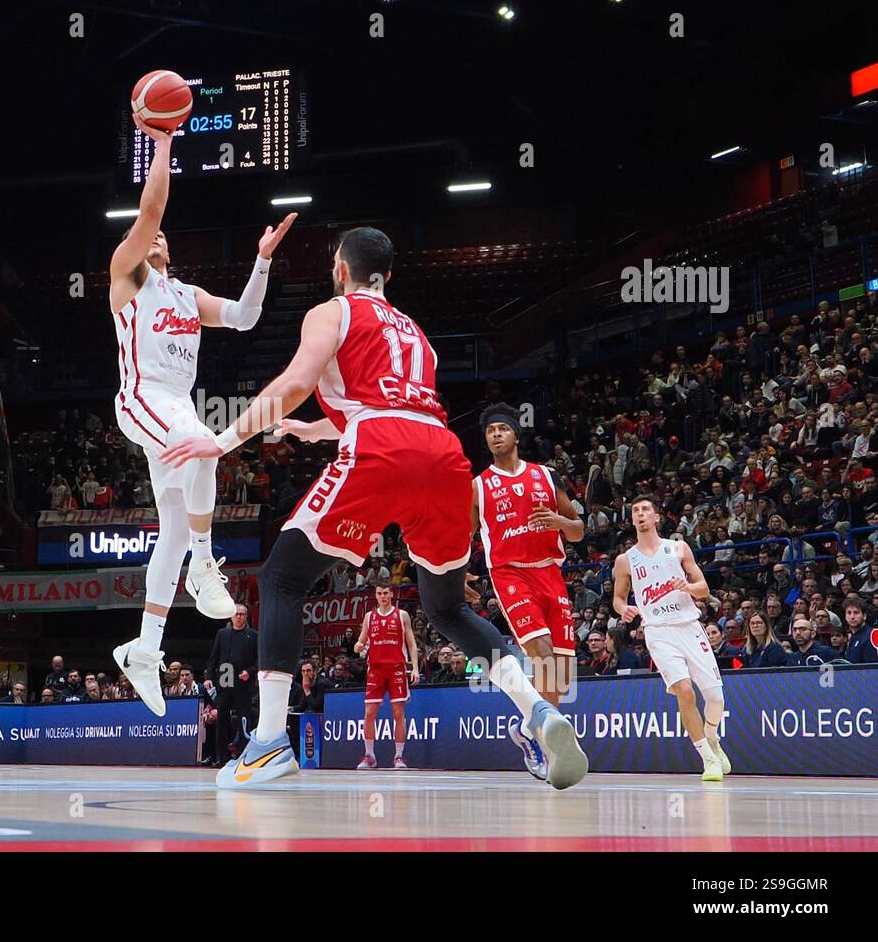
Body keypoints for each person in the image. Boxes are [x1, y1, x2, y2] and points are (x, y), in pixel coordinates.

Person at [162, 226, 587, 790]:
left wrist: (222, 440)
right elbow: (390, 403)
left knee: (282, 578)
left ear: (341, 268)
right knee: (446, 609)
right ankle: (538, 711)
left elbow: (296, 382)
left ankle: (266, 743)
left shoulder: (331, 311)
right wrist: (319, 430)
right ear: (388, 274)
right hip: (443, 457)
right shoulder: (417, 334)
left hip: (380, 451)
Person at [107, 111, 296, 716]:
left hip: (176, 405)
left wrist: (262, 261)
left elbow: (244, 317)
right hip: (141, 399)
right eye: (149, 234)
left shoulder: (187, 296)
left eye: (162, 238)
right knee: (202, 441)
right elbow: (153, 211)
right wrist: (161, 143)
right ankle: (203, 564)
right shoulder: (126, 279)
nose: (156, 238)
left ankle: (145, 648)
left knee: (170, 524)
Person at [473, 402, 585, 781]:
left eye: (502, 429)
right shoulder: (478, 486)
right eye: (490, 432)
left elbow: (579, 530)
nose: (496, 435)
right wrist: (456, 576)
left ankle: (528, 731)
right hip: (510, 574)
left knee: (560, 675)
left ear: (516, 435)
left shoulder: (545, 475)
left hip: (551, 574)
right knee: (541, 653)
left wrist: (559, 521)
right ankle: (544, 737)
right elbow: (462, 536)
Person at [614, 495, 731, 782]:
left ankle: (712, 738)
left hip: (689, 626)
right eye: (635, 511)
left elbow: (704, 588)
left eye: (645, 510)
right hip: (657, 631)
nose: (640, 514)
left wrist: (688, 586)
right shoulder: (624, 560)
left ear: (656, 518)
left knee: (715, 696)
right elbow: (617, 599)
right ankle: (707, 759)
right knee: (685, 691)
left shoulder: (677, 547)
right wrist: (624, 608)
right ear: (632, 520)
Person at [351, 584, 418, 769]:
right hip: (375, 668)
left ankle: (398, 756)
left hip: (396, 667)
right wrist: (358, 646)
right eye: (380, 593)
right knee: (369, 713)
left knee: (398, 713)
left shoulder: (402, 615)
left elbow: (412, 644)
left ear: (392, 594)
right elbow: (362, 640)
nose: (383, 596)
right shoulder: (369, 617)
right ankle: (369, 755)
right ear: (376, 595)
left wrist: (415, 668)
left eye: (386, 593)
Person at [203, 604, 258, 767]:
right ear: (231, 616)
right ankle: (221, 756)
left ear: (246, 617)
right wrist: (209, 677)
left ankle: (243, 753)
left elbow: (259, 660)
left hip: (243, 682)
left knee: (243, 719)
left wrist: (249, 671)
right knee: (221, 720)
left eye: (242, 614)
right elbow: (214, 657)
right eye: (236, 614)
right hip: (224, 680)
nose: (239, 617)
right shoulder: (223, 634)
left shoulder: (253, 636)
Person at [842, 595, 878, 664]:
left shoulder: (872, 635)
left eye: (856, 612)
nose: (852, 617)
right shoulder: (853, 636)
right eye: (849, 613)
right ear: (845, 617)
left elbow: (872, 668)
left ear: (864, 616)